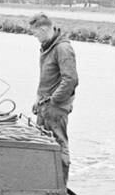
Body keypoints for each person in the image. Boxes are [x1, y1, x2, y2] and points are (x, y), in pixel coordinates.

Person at [28, 13, 78, 183]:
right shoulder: (47, 46)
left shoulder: (62, 48)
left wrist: (54, 101)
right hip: (44, 106)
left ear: (43, 29)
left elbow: (70, 80)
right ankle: (46, 183)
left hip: (55, 108)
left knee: (59, 146)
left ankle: (61, 188)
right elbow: (47, 78)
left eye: (36, 34)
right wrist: (38, 98)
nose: (35, 37)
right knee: (43, 145)